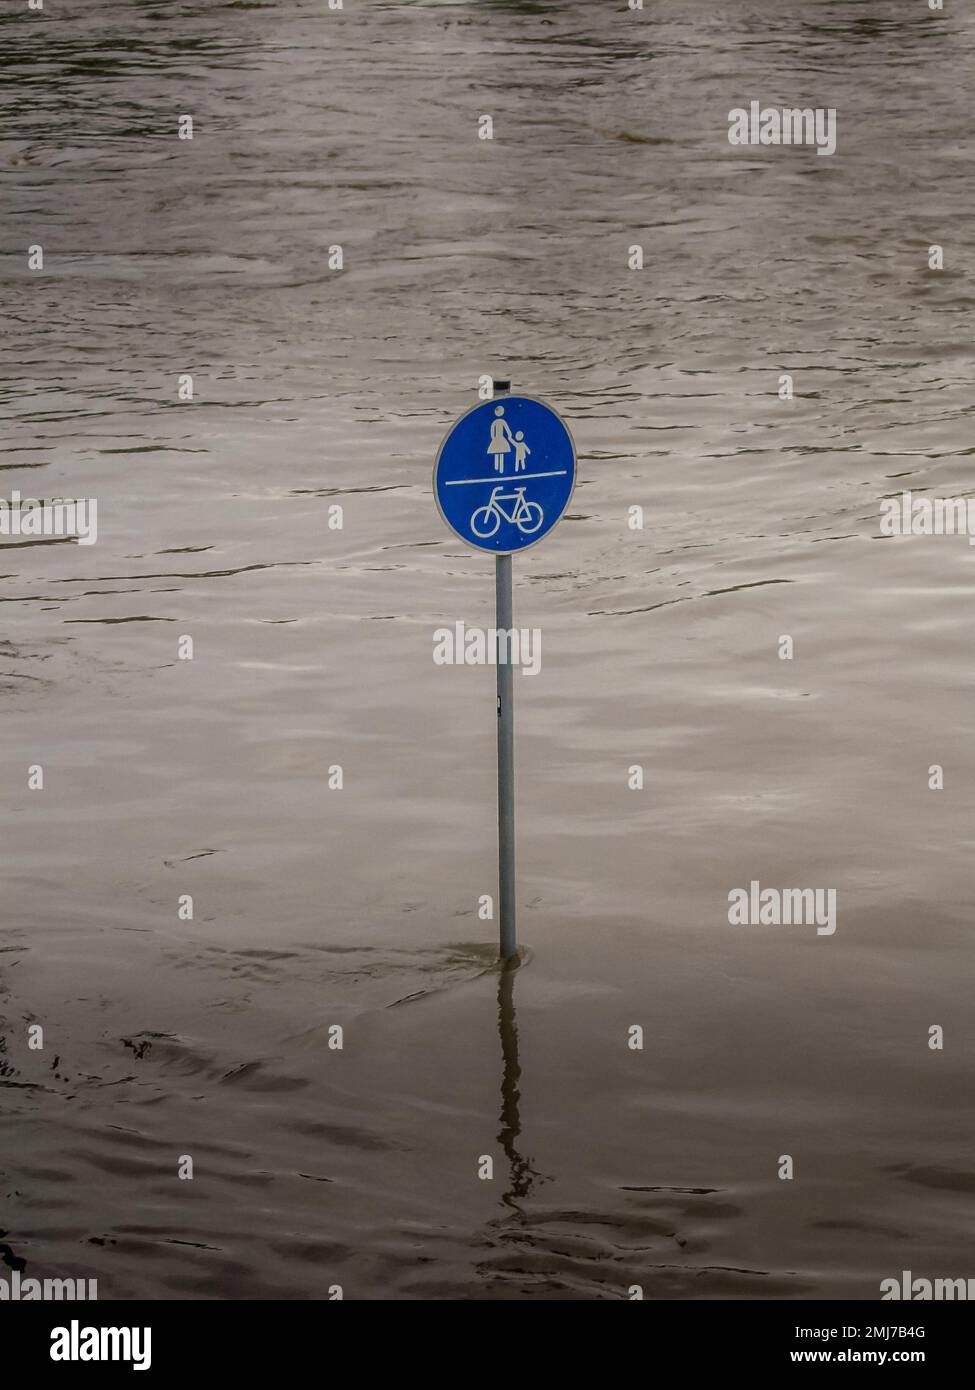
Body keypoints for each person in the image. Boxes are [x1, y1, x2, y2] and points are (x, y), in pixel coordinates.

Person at [488, 406, 514, 472]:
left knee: (499, 452)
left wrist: (493, 438)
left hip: (498, 439)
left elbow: (492, 431)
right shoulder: (500, 421)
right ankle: (498, 469)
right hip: (499, 439)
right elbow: (507, 430)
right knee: (498, 452)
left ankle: (499, 469)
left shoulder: (497, 422)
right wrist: (509, 435)